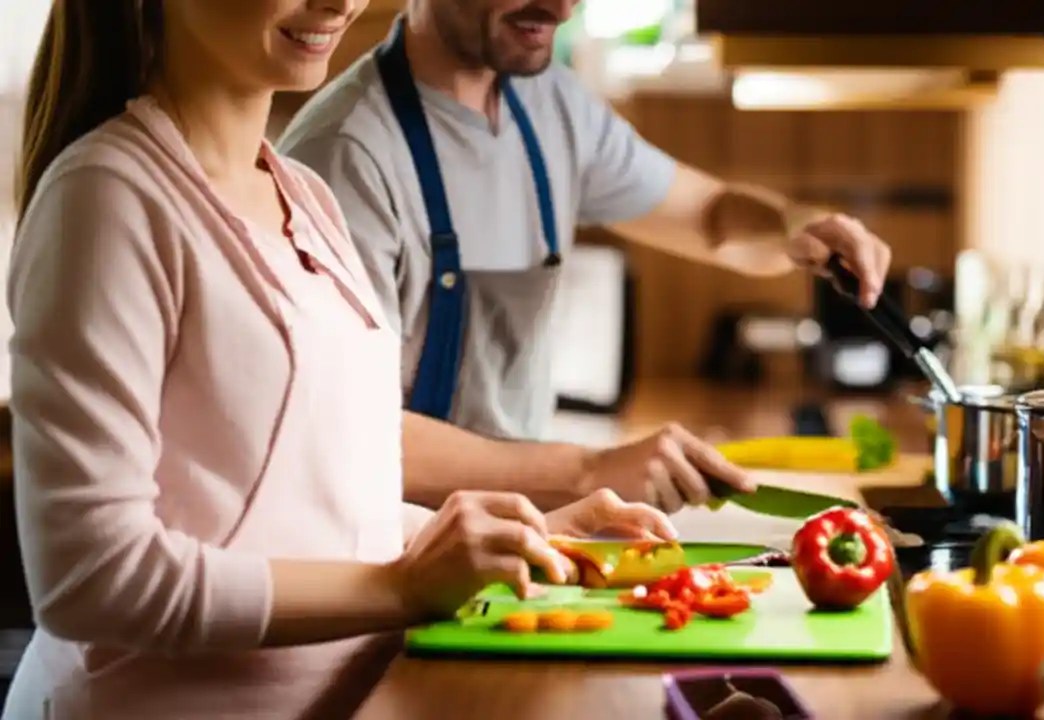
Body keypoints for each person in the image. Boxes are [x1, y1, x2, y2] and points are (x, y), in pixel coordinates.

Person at [3, 1, 675, 718]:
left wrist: (520, 540)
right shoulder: (107, 199)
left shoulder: (303, 194)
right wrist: (401, 588)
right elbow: (91, 581)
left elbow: (325, 502)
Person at [277, 0, 893, 513]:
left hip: (510, 532)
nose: (561, 5)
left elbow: (709, 219)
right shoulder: (345, 155)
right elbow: (346, 432)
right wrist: (587, 469)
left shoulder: (548, 104)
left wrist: (793, 224)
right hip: (395, 551)